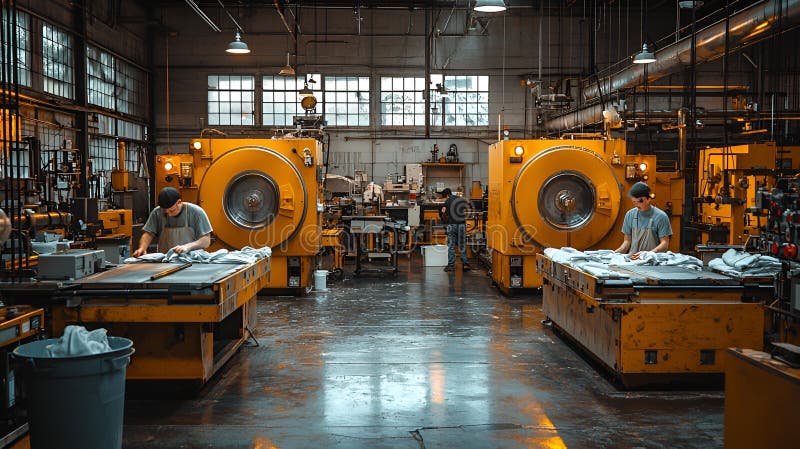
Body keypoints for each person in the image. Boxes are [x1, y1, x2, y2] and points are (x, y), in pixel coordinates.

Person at [132, 187, 213, 256]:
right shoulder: (157, 212)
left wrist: (188, 247)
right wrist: (142, 248)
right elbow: (149, 233)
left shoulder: (196, 212)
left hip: (192, 260)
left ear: (179, 202)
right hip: (166, 261)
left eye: (172, 210)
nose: (169, 215)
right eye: (165, 212)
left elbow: (206, 240)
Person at [614, 181, 672, 260]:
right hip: (633, 260)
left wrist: (649, 254)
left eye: (640, 201)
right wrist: (615, 254)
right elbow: (627, 242)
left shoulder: (661, 217)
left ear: (648, 199)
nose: (637, 205)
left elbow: (665, 243)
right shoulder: (630, 215)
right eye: (634, 202)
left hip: (652, 260)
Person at [440, 188, 470, 272]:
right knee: (462, 244)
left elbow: (443, 212)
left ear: (446, 195)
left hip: (452, 224)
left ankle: (451, 265)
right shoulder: (460, 199)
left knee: (451, 245)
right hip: (461, 224)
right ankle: (465, 264)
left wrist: (444, 220)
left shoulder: (447, 201)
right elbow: (466, 209)